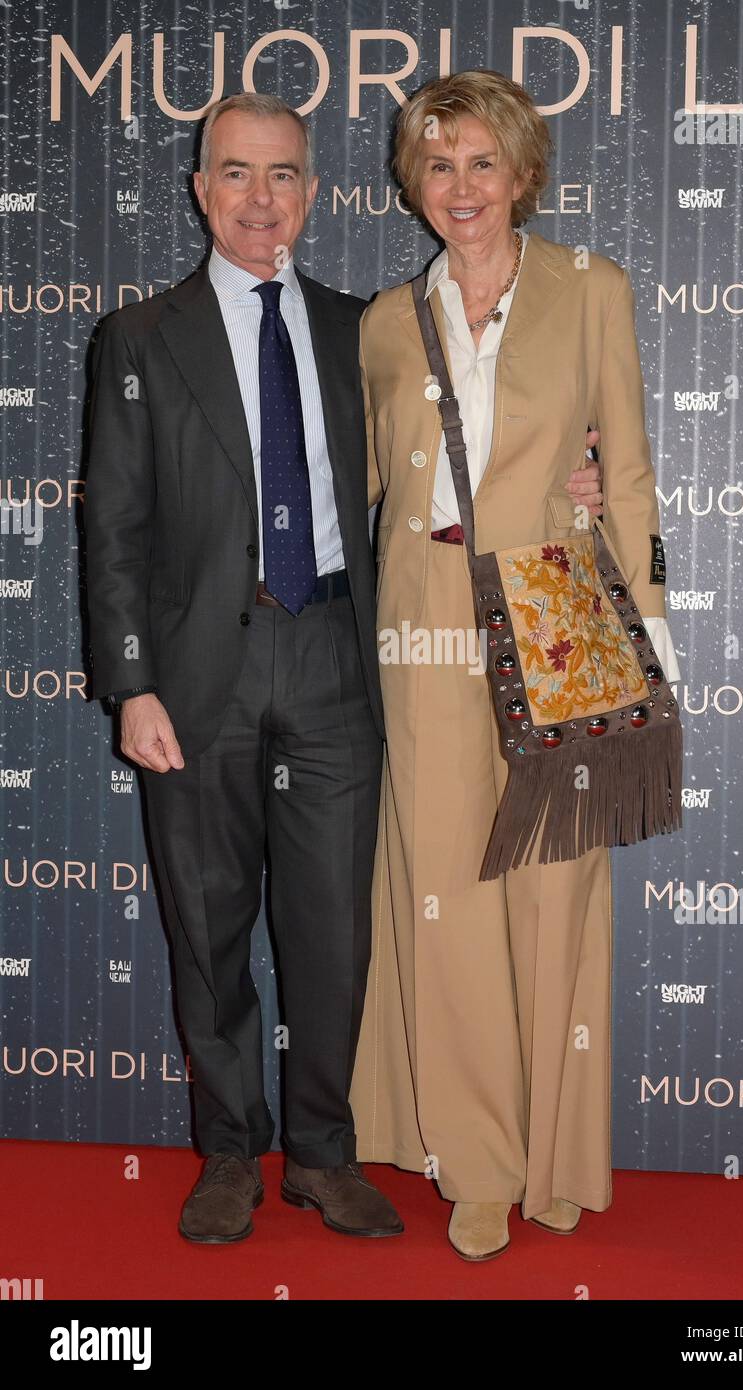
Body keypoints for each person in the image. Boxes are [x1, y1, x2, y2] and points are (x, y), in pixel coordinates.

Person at [349, 70, 681, 1260]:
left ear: (522, 171)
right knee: (445, 889)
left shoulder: (593, 290)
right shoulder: (386, 323)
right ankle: (478, 1161)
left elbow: (628, 474)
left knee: (556, 888)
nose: (459, 186)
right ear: (411, 184)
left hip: (557, 607)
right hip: (423, 610)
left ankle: (553, 1154)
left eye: (480, 161)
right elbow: (371, 492)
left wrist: (641, 631)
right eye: (435, 165)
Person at [84, 92, 402, 1244]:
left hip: (328, 659)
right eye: (234, 173)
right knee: (206, 927)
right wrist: (131, 683)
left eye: (282, 175)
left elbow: (443, 469)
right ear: (198, 188)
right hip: (193, 675)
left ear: (313, 193)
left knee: (329, 930)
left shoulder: (361, 328)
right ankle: (228, 1152)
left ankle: (320, 1153)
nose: (259, 198)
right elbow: (111, 527)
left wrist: (569, 470)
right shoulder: (137, 337)